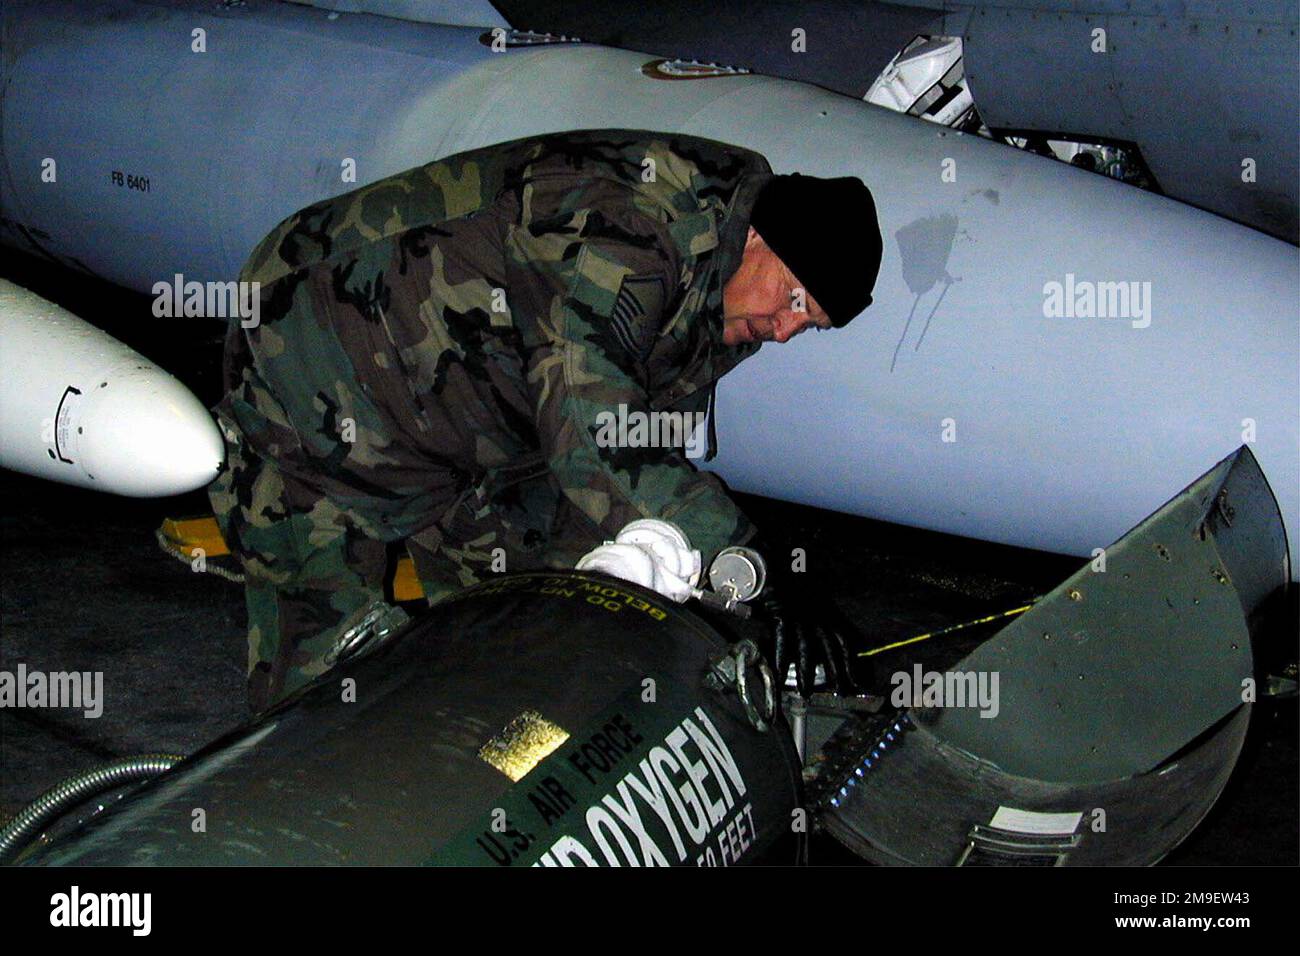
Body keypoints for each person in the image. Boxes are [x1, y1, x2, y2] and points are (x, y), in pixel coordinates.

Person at [209, 129, 883, 710]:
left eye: (810, 325)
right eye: (795, 299)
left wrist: (713, 576)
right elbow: (590, 424)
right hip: (312, 357)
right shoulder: (630, 223)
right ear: (758, 237)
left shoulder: (727, 298)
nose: (785, 329)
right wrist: (747, 552)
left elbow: (636, 463)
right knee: (326, 674)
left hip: (465, 424)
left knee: (524, 639)